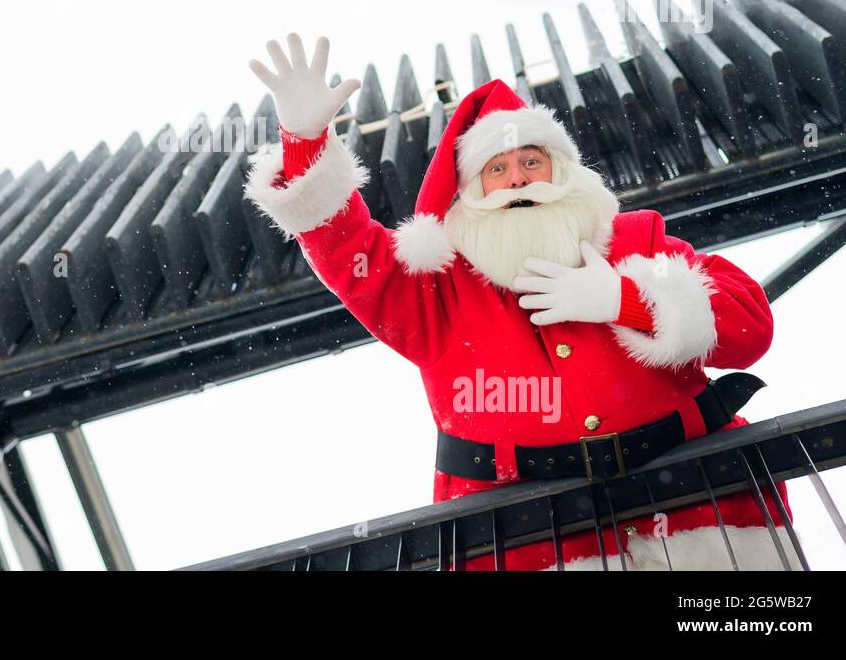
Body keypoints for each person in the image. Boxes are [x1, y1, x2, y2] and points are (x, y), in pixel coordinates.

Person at [244, 33, 801, 570]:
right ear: (471, 192)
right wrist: (304, 143)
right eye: (497, 169)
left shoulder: (636, 239)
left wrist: (625, 300)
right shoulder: (433, 285)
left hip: (706, 520)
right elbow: (346, 249)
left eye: (531, 162)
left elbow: (750, 327)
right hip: (529, 543)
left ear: (561, 171)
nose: (517, 180)